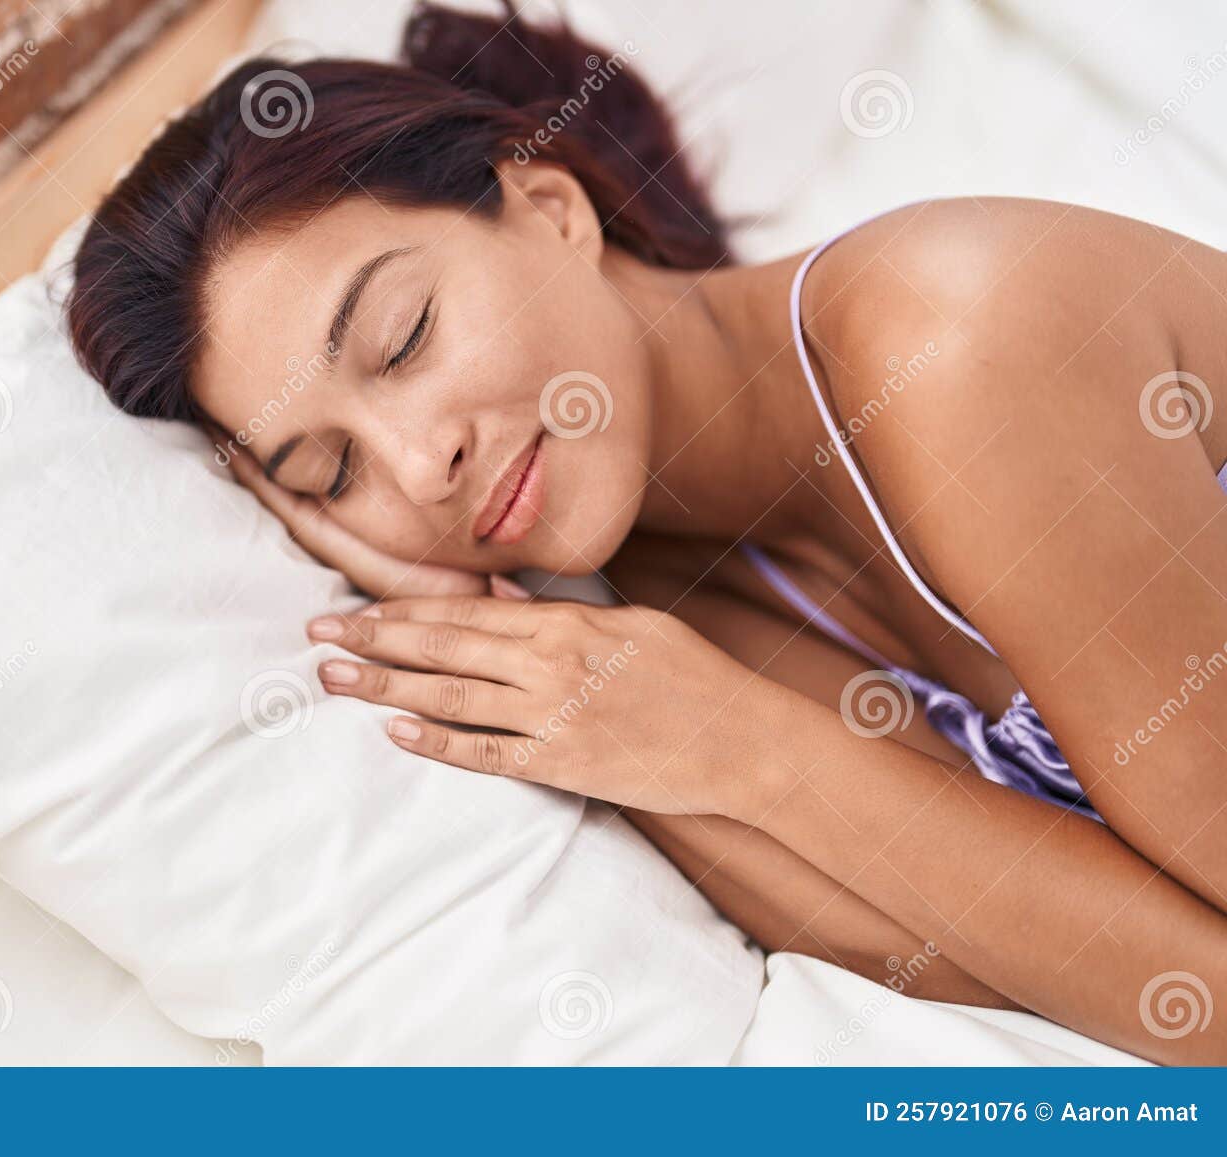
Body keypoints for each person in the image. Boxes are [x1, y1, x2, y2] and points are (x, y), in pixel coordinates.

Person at [68, 2, 1227, 1064]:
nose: (420, 467)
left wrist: (750, 749)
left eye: (404, 337)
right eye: (332, 470)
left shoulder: (960, 340)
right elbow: (1064, 976)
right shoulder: (666, 650)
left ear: (551, 209)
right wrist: (523, 647)